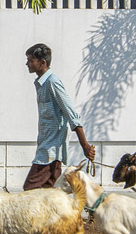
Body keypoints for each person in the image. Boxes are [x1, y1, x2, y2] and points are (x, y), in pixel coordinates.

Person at [23, 42, 97, 191]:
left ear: (42, 62)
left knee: (30, 188)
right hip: (46, 148)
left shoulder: (52, 82)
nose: (27, 63)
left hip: (50, 152)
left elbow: (71, 114)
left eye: (31, 60)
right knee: (48, 193)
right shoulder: (41, 84)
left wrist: (85, 146)